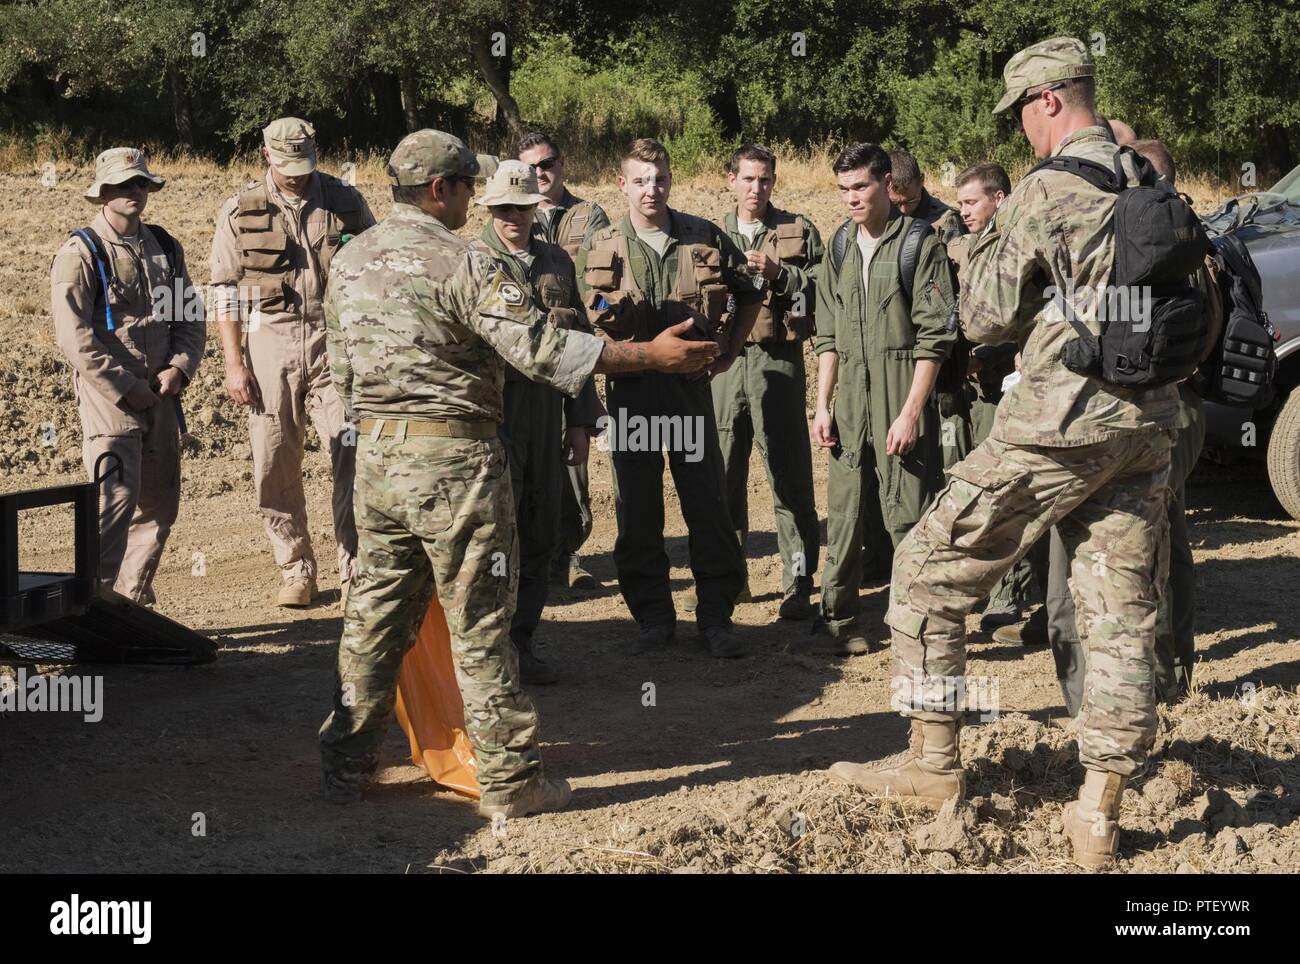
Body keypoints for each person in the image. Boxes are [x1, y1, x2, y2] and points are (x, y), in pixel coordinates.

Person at [827, 38, 1186, 869]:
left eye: (1021, 112)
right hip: (1148, 420)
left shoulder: (1050, 186)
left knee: (924, 568)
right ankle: (1097, 811)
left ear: (1051, 100)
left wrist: (983, 257)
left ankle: (932, 763)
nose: (1020, 130)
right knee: (1120, 608)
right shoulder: (1146, 176)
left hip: (1061, 420)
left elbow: (984, 316)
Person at [318, 130, 719, 816]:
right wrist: (648, 356)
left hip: (379, 462)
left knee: (373, 620)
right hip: (456, 464)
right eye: (468, 186)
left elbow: (343, 374)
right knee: (479, 625)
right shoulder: (463, 262)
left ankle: (346, 764)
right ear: (440, 189)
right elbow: (539, 349)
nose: (475, 198)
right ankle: (509, 782)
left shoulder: (351, 259)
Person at [1033, 137, 1224, 711]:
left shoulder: (1133, 238)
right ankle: (1166, 677)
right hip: (1176, 412)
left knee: (1102, 551)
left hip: (1122, 415)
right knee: (1166, 541)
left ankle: (1100, 692)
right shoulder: (1193, 236)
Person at [575, 138, 764, 658]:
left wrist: (729, 352)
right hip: (632, 402)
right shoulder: (602, 246)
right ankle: (654, 619)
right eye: (639, 180)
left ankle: (716, 619)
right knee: (638, 514)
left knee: (708, 508)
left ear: (671, 180)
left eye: (658, 178)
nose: (650, 190)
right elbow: (577, 325)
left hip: (689, 401)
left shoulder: (703, 236)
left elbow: (750, 293)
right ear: (622, 184)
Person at [210, 117, 375, 608]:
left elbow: (376, 267)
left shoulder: (345, 201)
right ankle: (296, 568)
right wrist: (234, 363)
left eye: (304, 165)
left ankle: (356, 571)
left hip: (336, 339)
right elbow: (224, 291)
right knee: (274, 460)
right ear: (266, 156)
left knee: (351, 450)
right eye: (286, 166)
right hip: (270, 341)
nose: (297, 175)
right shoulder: (239, 210)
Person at [811, 143, 958, 655]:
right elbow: (826, 336)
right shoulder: (839, 247)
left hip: (900, 394)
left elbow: (934, 339)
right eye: (843, 189)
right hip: (848, 399)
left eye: (860, 187)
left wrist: (911, 412)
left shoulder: (920, 245)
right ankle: (840, 619)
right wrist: (822, 404)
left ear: (886, 185)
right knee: (845, 513)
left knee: (908, 517)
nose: (851, 198)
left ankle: (917, 627)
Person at [50, 148, 206, 605]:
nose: (134, 191)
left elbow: (190, 317)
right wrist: (126, 386)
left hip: (161, 393)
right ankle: (91, 608)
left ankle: (129, 603)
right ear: (103, 193)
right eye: (123, 185)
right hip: (111, 399)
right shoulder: (80, 252)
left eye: (140, 183)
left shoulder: (164, 245)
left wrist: (179, 368)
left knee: (160, 504)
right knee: (113, 501)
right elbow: (73, 338)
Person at [476, 160, 604, 685]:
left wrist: (579, 419)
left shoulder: (555, 261)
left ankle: (523, 644)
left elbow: (581, 343)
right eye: (503, 208)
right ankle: (488, 653)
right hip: (493, 418)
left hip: (547, 413)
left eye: (522, 208)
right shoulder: (474, 260)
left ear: (536, 207)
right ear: (489, 209)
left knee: (539, 530)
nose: (513, 218)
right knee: (492, 537)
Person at [707, 143, 822, 620]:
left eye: (766, 179)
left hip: (780, 362)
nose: (757, 188)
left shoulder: (798, 230)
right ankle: (731, 581)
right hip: (726, 368)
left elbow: (823, 290)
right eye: (748, 179)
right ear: (730, 180)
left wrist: (782, 274)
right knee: (723, 474)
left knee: (790, 475)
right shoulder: (709, 235)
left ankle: (797, 581)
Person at [949, 162, 1047, 634]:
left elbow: (1025, 319)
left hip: (1009, 385)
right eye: (961, 203)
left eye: (972, 202)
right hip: (969, 387)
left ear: (1000, 199)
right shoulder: (966, 245)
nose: (963, 211)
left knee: (1010, 495)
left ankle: (1013, 595)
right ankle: (988, 590)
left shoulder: (1022, 245)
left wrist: (992, 352)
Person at [517, 131, 611, 592]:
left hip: (572, 353)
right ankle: (525, 556)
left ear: (562, 163)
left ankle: (569, 554)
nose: (541, 172)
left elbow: (595, 283)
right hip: (522, 361)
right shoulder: (513, 213)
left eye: (548, 162)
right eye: (531, 166)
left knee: (573, 462)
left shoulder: (588, 215)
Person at [887, 149, 965, 244]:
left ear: (921, 181)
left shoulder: (945, 221)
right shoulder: (874, 215)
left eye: (911, 201)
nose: (904, 210)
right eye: (896, 203)